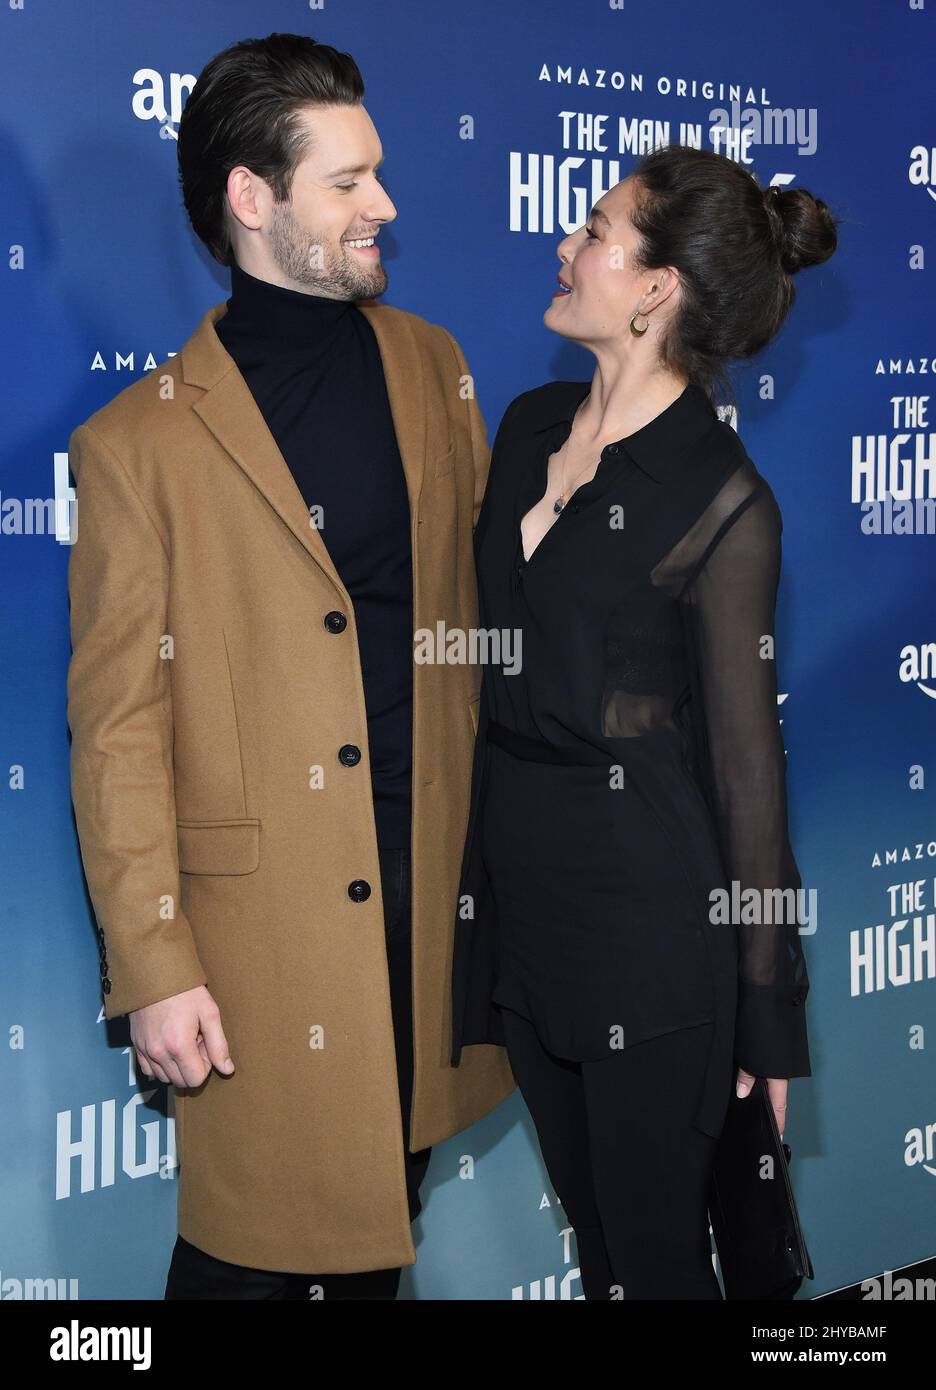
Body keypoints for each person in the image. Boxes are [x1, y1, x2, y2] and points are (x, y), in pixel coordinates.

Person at [65, 32, 514, 1301]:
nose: (385, 206)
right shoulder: (134, 446)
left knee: (382, 1238)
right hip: (263, 943)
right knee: (246, 1261)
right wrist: (154, 965)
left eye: (377, 175)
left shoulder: (437, 367)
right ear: (252, 201)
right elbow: (116, 731)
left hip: (432, 913)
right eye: (348, 182)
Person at [451, 144, 839, 1299]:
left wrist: (766, 1021)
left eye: (597, 229)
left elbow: (747, 773)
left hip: (653, 941)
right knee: (606, 1261)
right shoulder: (526, 428)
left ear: (657, 286)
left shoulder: (722, 498)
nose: (567, 245)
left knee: (660, 1269)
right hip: (527, 918)